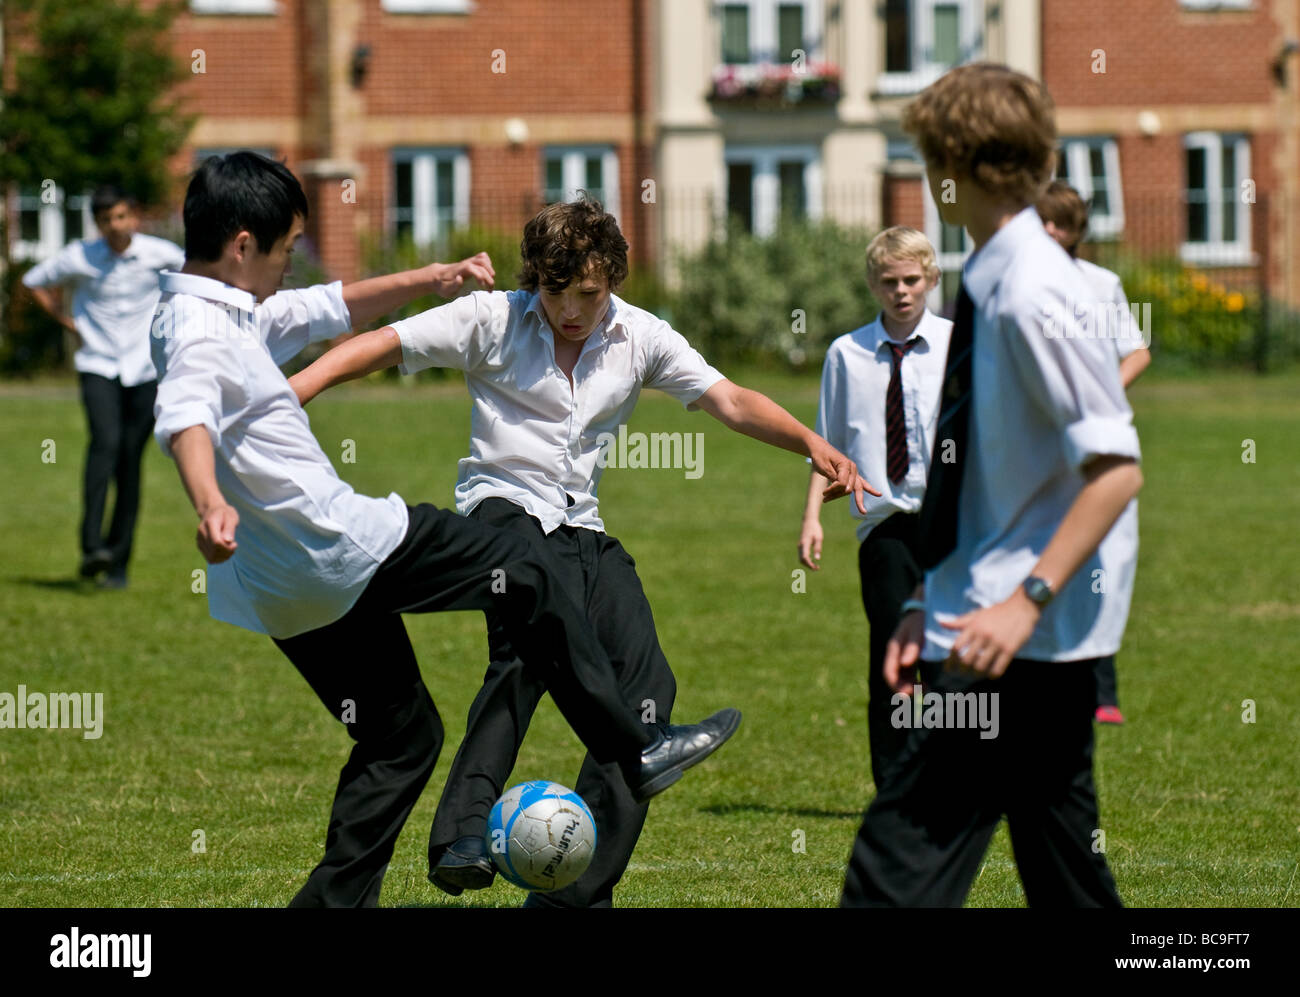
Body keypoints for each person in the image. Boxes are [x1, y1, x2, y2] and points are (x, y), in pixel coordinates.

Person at [151, 152, 744, 908]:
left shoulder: (222, 307)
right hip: (343, 543)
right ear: (243, 246)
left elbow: (327, 309)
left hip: (276, 589)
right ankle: (637, 746)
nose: (290, 262)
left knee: (402, 741)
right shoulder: (204, 332)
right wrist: (207, 499)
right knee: (527, 566)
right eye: (286, 247)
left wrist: (427, 280)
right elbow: (185, 415)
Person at [289, 196, 877, 907]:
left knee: (650, 693)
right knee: (524, 664)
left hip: (584, 527)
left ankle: (568, 888)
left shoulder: (641, 336)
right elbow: (385, 345)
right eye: (555, 292)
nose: (571, 310)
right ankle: (461, 835)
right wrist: (298, 388)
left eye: (588, 294)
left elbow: (728, 399)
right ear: (536, 279)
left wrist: (812, 443)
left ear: (613, 281)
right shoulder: (496, 318)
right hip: (502, 516)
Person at [839, 64, 1143, 908]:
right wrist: (928, 588)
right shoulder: (994, 275)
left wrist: (1026, 599)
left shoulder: (1034, 293)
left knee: (889, 875)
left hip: (1010, 647)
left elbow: (1115, 468)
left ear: (952, 162)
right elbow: (983, 471)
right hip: (991, 628)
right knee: (1068, 880)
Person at [798, 227, 951, 789]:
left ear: (931, 278)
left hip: (949, 525)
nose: (902, 291)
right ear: (873, 284)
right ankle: (894, 783)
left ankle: (954, 777)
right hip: (883, 526)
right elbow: (825, 441)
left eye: (912, 280)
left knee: (948, 657)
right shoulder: (848, 353)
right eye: (889, 282)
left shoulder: (958, 347)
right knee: (891, 656)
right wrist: (813, 515)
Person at [23, 185, 185, 588]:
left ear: (135, 217)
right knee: (105, 443)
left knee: (130, 462)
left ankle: (118, 563)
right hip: (97, 364)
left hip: (145, 370)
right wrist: (65, 319)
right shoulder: (80, 256)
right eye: (107, 219)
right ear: (97, 223)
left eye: (122, 216)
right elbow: (33, 280)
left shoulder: (160, 254)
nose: (116, 225)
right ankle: (91, 544)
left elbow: (194, 281)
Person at [1037, 180, 1149, 725]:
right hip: (1041, 442)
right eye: (1043, 220)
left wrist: (1101, 397)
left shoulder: (1101, 285)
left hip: (1096, 441)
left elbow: (1136, 351)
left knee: (1108, 559)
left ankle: (1104, 689)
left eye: (1060, 222)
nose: (1051, 231)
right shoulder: (1021, 286)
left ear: (1077, 229)